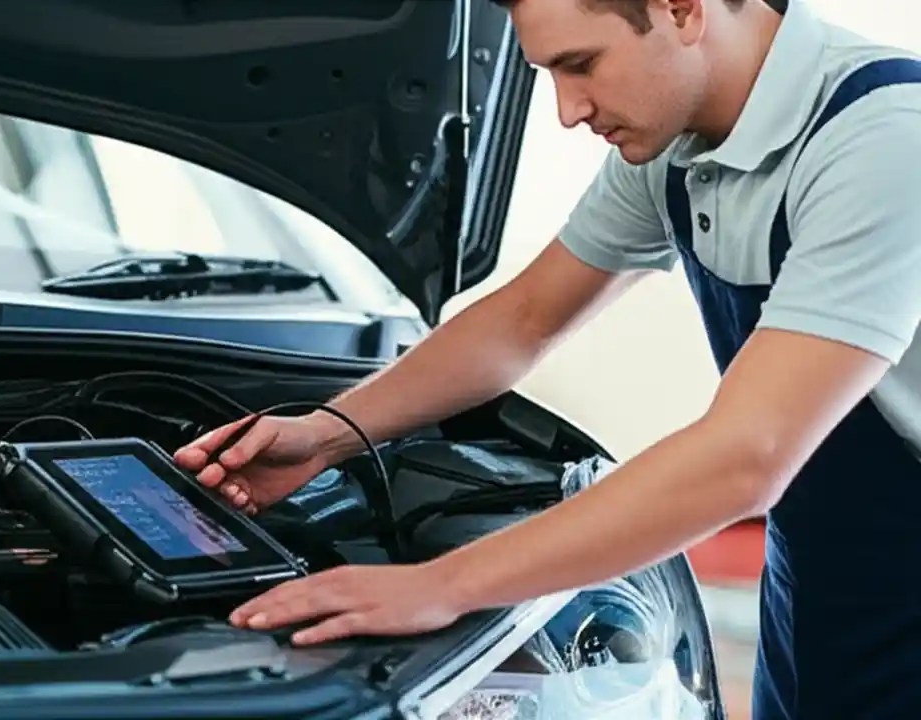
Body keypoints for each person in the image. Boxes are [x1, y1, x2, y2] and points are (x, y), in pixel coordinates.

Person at [172, 0, 921, 717]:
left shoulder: (884, 140)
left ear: (682, 9)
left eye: (581, 64)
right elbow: (525, 319)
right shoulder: (677, 138)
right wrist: (328, 434)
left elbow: (748, 456)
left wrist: (442, 585)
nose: (568, 110)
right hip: (818, 579)